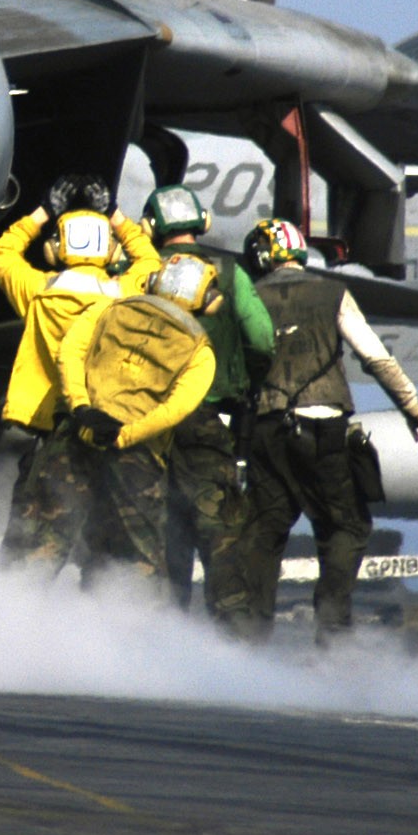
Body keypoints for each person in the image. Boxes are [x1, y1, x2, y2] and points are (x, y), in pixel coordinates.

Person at [224, 218, 418, 642]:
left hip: (266, 431)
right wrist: (412, 407)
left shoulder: (247, 298)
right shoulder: (331, 293)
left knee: (265, 532)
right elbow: (375, 357)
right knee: (347, 526)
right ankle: (333, 635)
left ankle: (248, 639)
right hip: (323, 429)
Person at [0, 173, 162, 571]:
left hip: (47, 426)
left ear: (57, 249)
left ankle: (12, 607)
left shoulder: (39, 291)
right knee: (105, 535)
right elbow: (150, 261)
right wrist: (116, 215)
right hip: (106, 425)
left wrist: (42, 212)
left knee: (34, 528)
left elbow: (3, 254)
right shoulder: (124, 293)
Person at [141, 185, 273, 614]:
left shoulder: (135, 272)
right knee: (222, 537)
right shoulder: (231, 273)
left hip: (147, 422)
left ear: (149, 228)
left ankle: (158, 637)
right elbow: (261, 339)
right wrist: (250, 380)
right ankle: (233, 645)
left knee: (158, 537)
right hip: (210, 421)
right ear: (204, 223)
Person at [54, 252, 224, 585]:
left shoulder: (108, 308)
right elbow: (176, 409)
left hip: (75, 436)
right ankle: (133, 633)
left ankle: (10, 624)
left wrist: (81, 408)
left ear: (154, 282)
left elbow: (69, 352)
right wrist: (126, 435)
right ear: (208, 301)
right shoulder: (200, 351)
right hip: (137, 460)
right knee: (138, 564)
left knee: (40, 544)